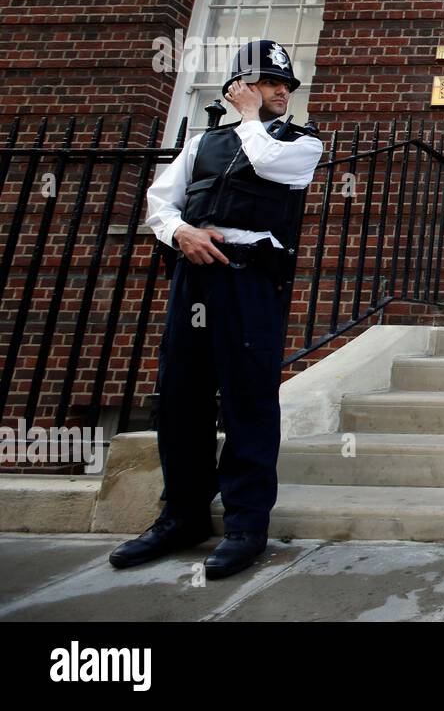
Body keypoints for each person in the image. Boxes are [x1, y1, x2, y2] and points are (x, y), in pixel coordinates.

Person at [109, 39, 323, 579]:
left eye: (283, 84)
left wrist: (250, 115)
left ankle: (247, 522)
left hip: (248, 278)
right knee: (181, 396)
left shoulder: (300, 144)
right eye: (264, 82)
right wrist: (179, 232)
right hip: (194, 273)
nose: (277, 91)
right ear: (236, 88)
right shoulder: (204, 143)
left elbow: (269, 165)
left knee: (248, 398)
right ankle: (181, 514)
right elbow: (162, 202)